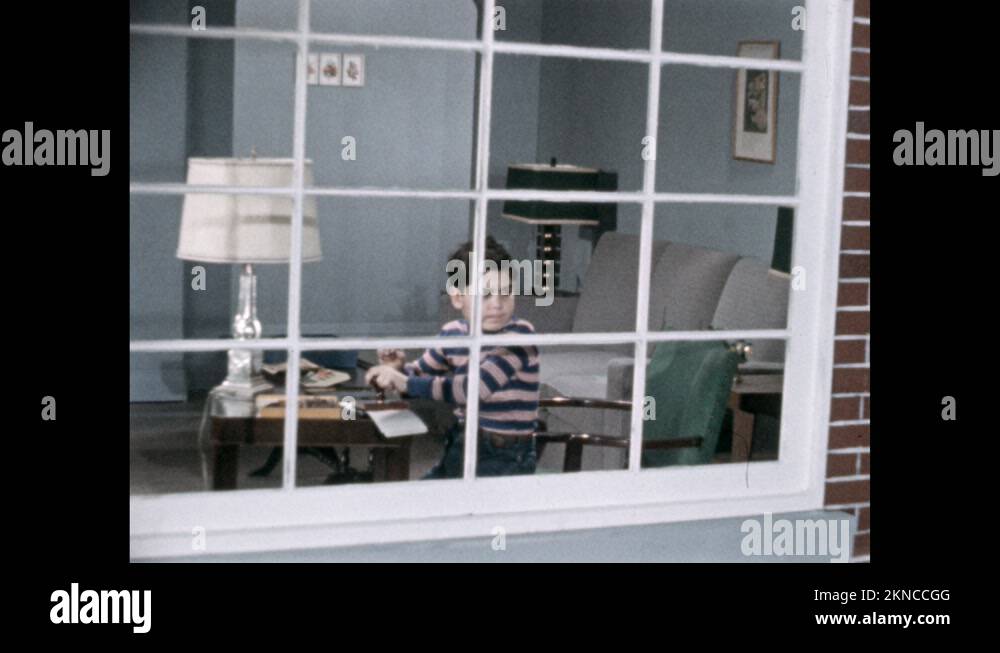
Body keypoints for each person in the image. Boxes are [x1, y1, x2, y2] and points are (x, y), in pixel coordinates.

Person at [365, 237, 540, 478]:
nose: (498, 305)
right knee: (413, 501)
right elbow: (417, 379)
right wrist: (400, 369)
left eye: (506, 293)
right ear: (458, 298)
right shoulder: (453, 334)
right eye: (485, 295)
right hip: (461, 442)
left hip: (505, 456)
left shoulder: (520, 336)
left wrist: (402, 380)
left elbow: (471, 389)